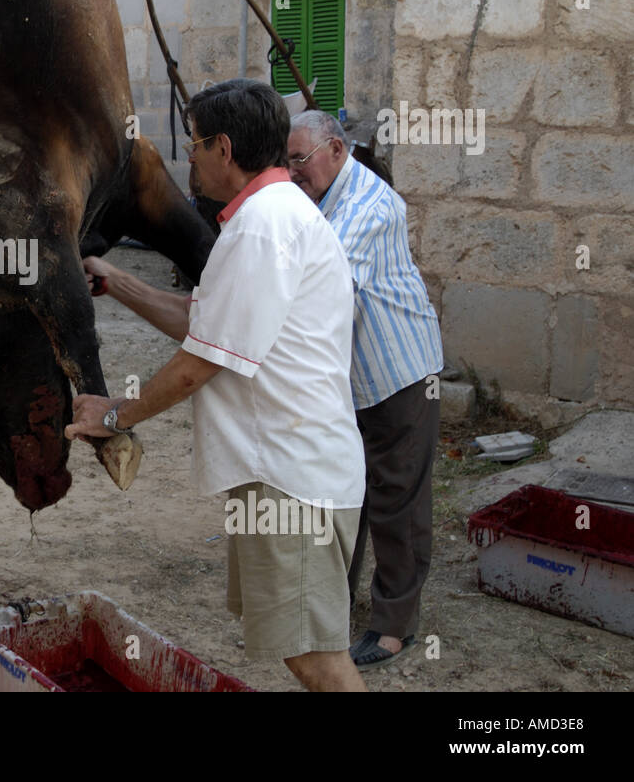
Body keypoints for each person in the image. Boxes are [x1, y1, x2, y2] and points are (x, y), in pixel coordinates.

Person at [67, 78, 366, 692]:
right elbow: (204, 323)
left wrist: (115, 415)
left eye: (196, 142)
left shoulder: (262, 227)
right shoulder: (267, 218)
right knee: (303, 650)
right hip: (286, 469)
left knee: (315, 657)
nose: (191, 159)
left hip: (291, 476)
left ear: (224, 148)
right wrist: (115, 280)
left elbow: (200, 362)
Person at [287, 110, 443, 669]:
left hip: (399, 372)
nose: (293, 171)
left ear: (335, 149)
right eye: (287, 161)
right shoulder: (320, 196)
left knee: (397, 501)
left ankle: (394, 627)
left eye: (300, 160)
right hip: (352, 378)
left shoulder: (369, 206)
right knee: (344, 493)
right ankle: (333, 606)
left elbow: (325, 284)